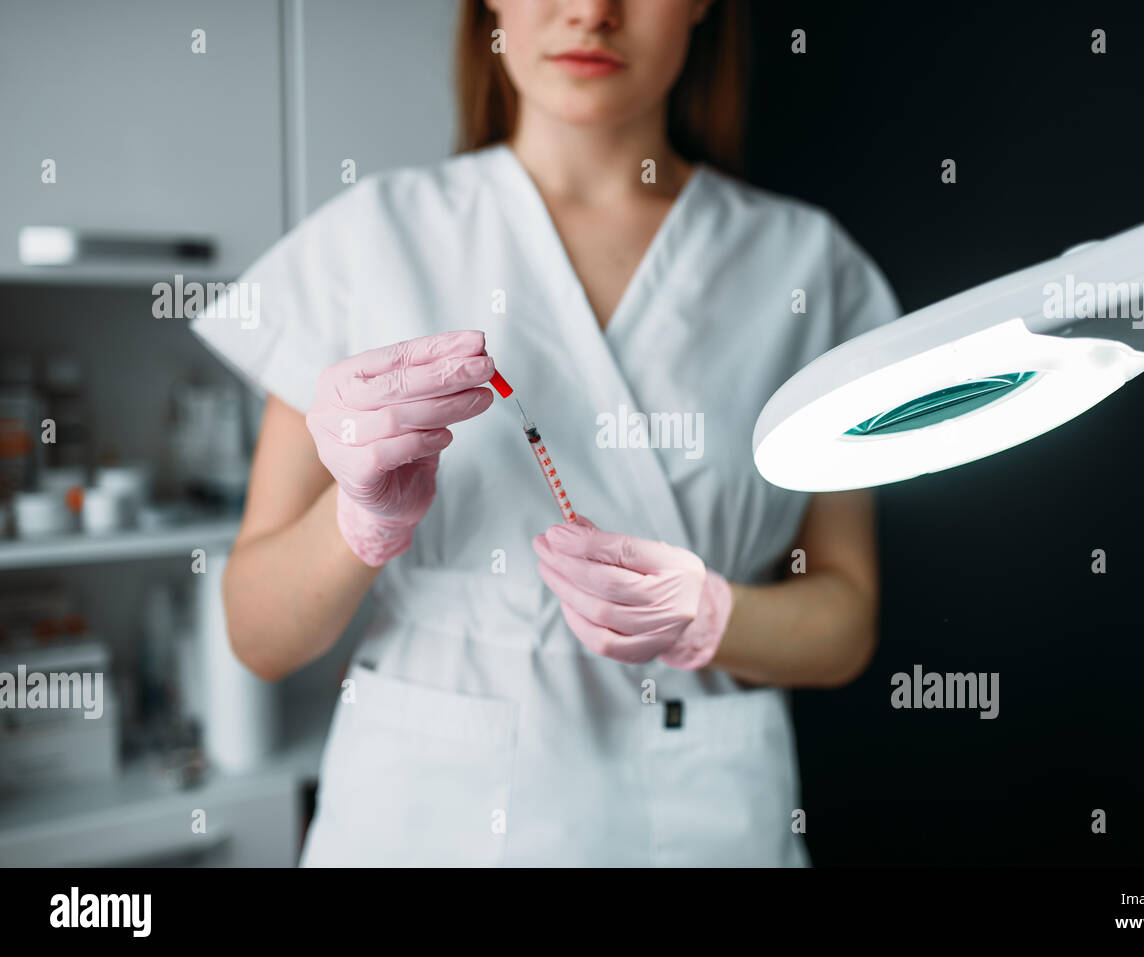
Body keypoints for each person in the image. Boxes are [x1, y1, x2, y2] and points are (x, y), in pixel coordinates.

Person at [191, 0, 900, 866]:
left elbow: (846, 624)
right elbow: (258, 637)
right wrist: (357, 520)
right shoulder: (370, 240)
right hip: (424, 818)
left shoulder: (807, 270)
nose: (592, 12)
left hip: (702, 814)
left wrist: (708, 614)